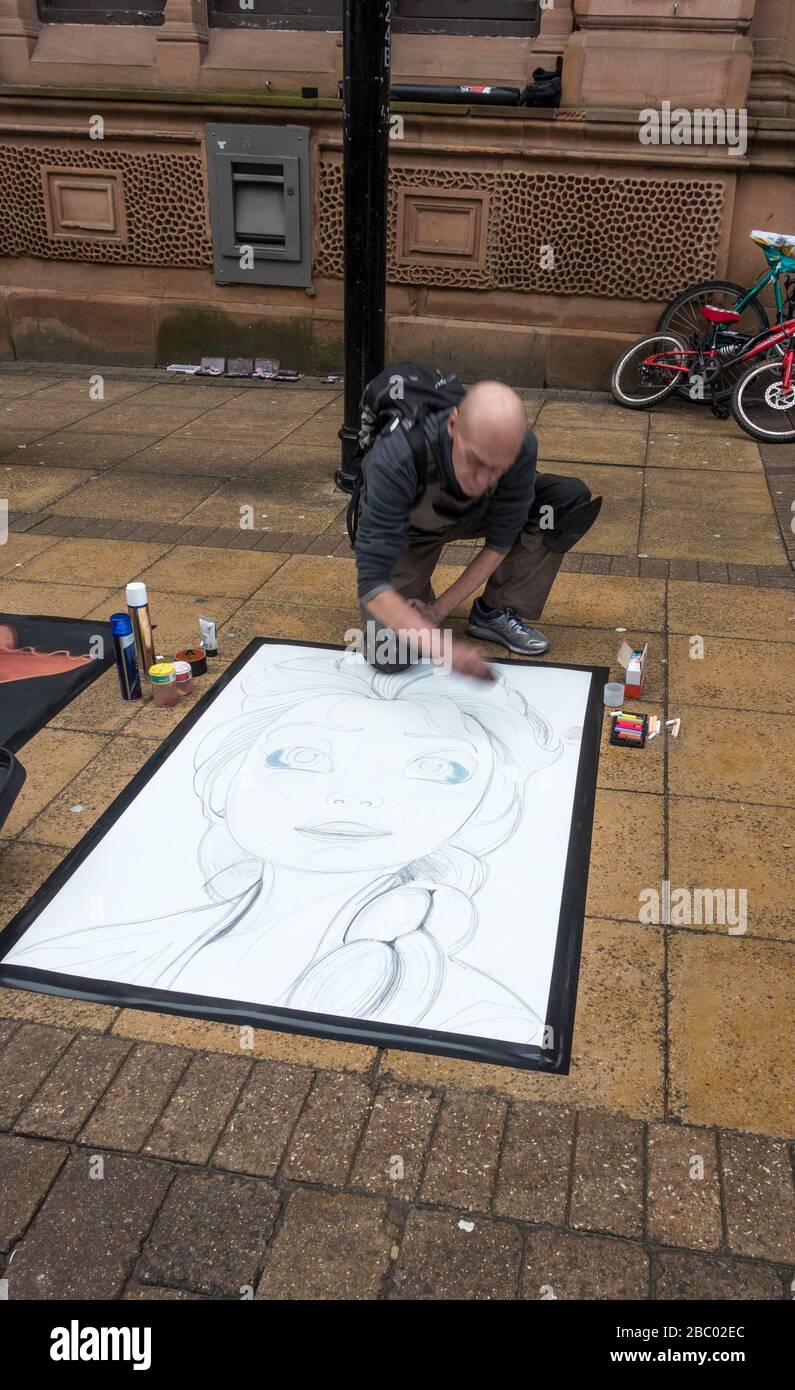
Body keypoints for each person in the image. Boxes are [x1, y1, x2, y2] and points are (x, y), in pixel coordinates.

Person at [355, 377, 601, 680]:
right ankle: (412, 582)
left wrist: (437, 611)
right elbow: (372, 582)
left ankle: (495, 610)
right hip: (408, 532)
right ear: (453, 425)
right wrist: (439, 646)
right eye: (475, 460)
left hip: (476, 513)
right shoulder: (395, 459)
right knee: (390, 655)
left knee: (562, 501)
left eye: (497, 468)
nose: (483, 480)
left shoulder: (520, 445)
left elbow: (499, 543)